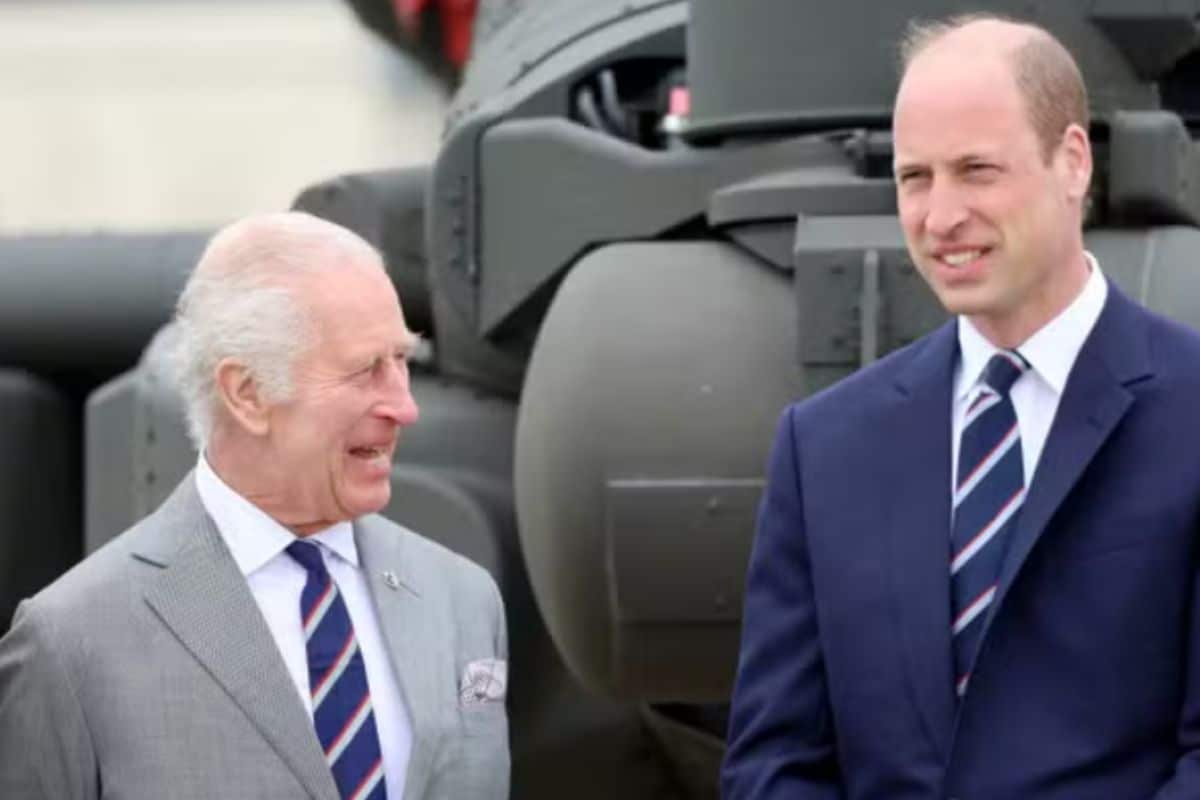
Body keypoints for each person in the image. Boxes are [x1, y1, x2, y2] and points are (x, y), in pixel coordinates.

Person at [723, 14, 1200, 799]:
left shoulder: (1190, 414)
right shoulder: (825, 446)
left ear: (1072, 161)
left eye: (977, 170)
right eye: (915, 177)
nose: (940, 217)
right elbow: (773, 763)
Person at [0, 212, 509, 799]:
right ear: (248, 394)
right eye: (366, 369)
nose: (404, 406)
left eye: (403, 362)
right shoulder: (71, 641)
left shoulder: (463, 600)